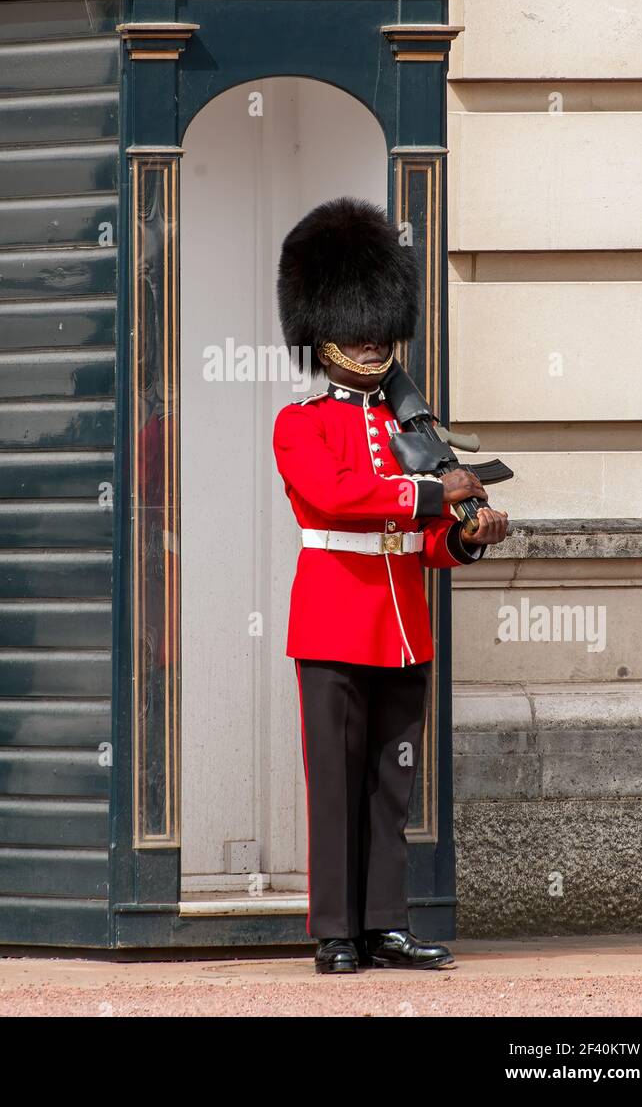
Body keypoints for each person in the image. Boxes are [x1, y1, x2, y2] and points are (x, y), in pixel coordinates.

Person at [273, 196, 508, 974]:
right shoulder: (299, 424)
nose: (372, 339)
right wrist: (438, 494)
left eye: (379, 322)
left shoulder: (408, 428)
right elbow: (340, 498)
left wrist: (465, 537)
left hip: (403, 623)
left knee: (389, 789)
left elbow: (422, 544)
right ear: (323, 331)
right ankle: (336, 931)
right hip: (334, 624)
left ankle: (386, 926)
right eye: (357, 321)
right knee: (336, 788)